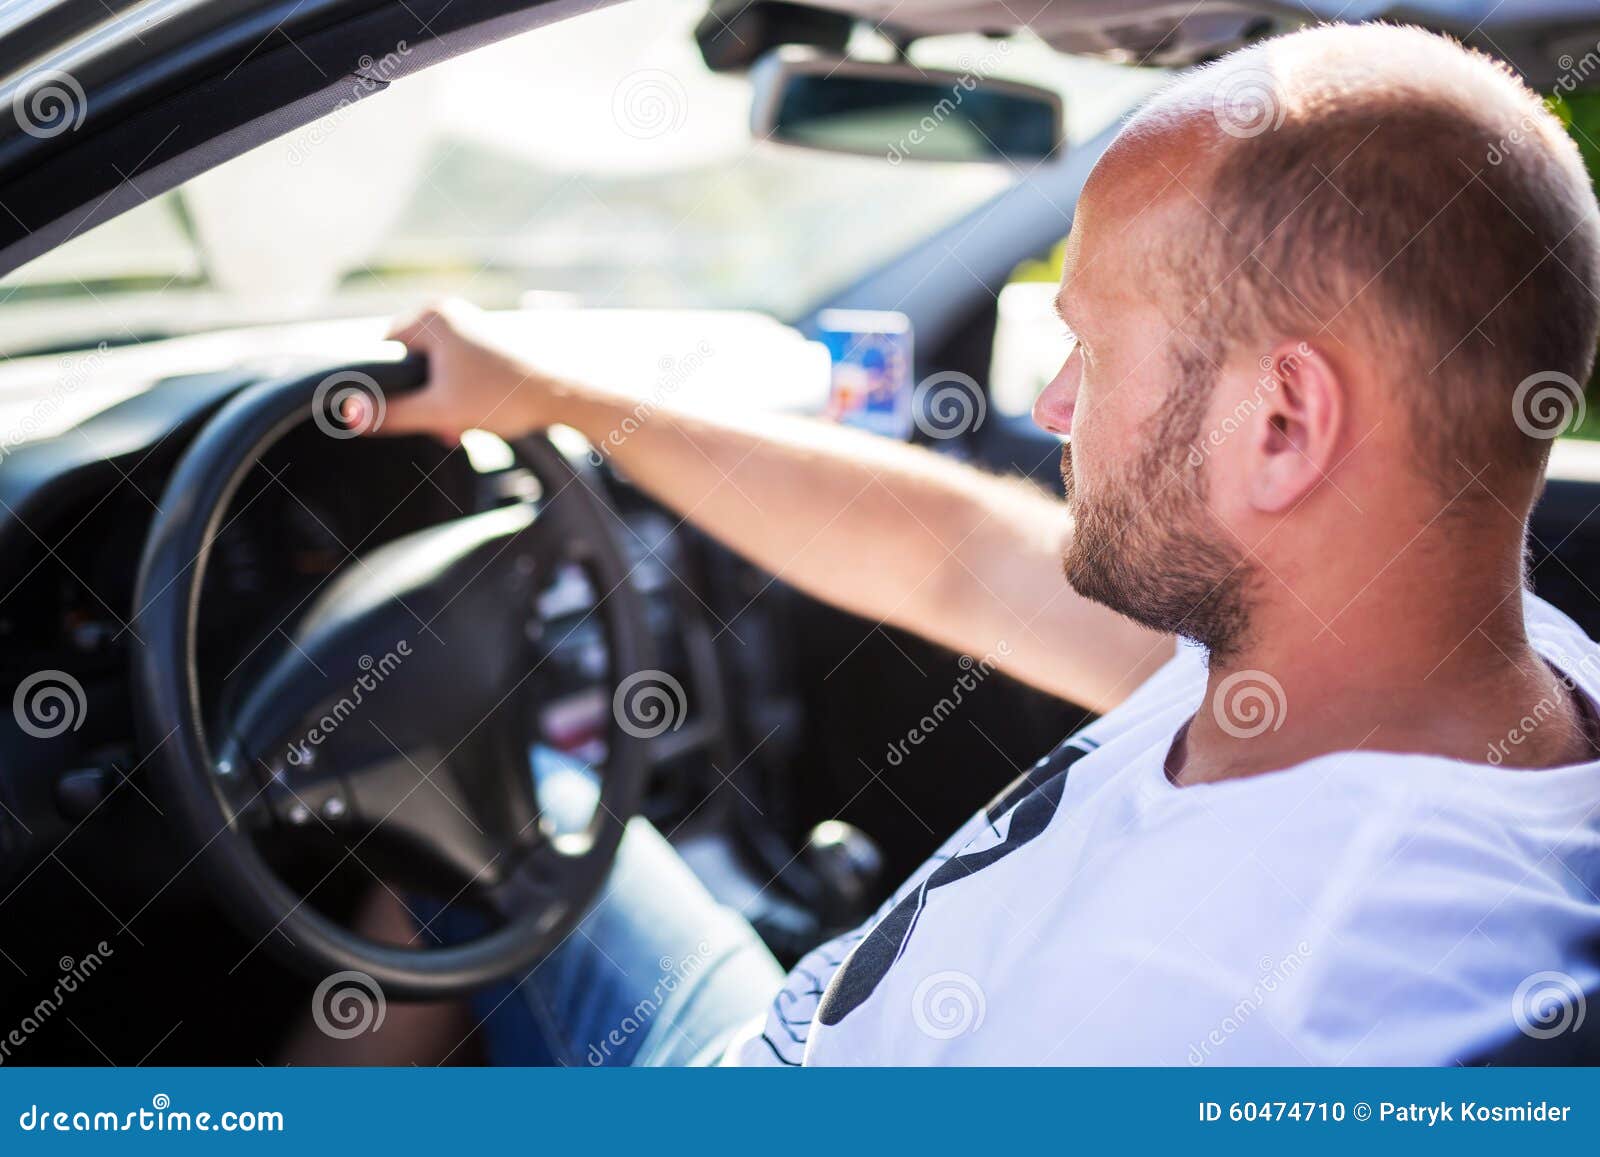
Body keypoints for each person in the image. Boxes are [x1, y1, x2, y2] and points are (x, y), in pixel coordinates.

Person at [366, 22, 1600, 1064]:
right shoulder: (1450, 656)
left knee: (441, 793)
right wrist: (553, 391)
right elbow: (951, 551)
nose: (1057, 404)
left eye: (1095, 346)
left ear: (1279, 422)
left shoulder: (1203, 1004)